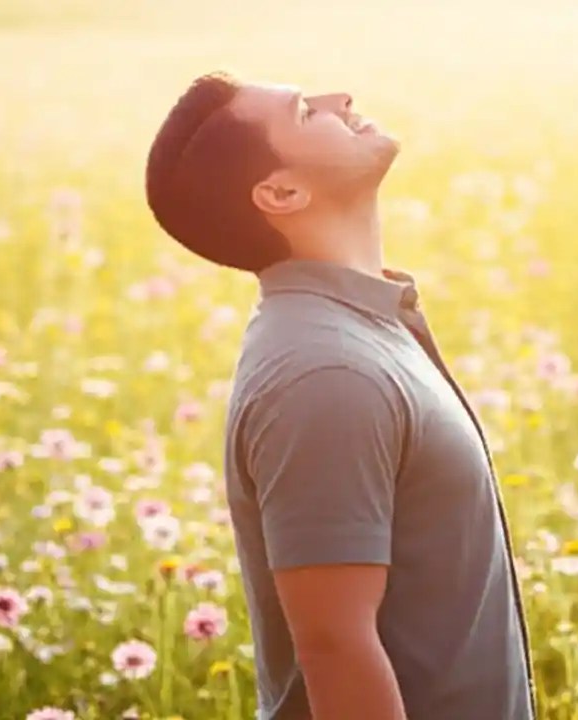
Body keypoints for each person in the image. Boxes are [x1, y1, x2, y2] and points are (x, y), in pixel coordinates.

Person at [144, 71, 535, 720]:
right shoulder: (325, 373)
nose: (340, 99)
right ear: (282, 192)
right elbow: (335, 647)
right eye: (304, 111)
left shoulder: (356, 329)